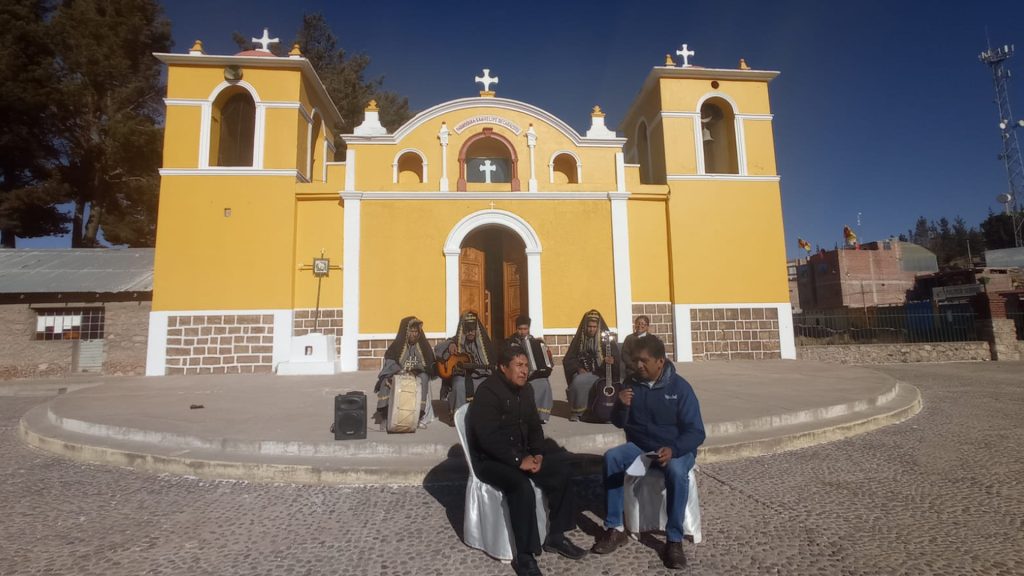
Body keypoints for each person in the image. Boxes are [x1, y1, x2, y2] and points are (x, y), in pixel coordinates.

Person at [468, 345, 588, 576]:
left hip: (522, 454)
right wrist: (517, 460)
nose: (524, 371)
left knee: (561, 472)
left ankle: (556, 536)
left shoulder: (526, 390)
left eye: (526, 365)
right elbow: (487, 438)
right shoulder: (487, 392)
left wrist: (538, 453)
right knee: (521, 487)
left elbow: (534, 427)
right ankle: (525, 555)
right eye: (519, 366)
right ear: (503, 367)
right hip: (490, 460)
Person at [590, 335, 705, 570]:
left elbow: (696, 432)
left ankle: (673, 540)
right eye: (635, 361)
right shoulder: (631, 384)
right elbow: (619, 423)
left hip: (676, 449)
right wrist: (620, 405)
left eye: (644, 361)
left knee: (676, 471)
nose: (638, 365)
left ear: (660, 361)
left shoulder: (680, 388)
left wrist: (674, 449)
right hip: (641, 446)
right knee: (612, 457)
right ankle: (615, 528)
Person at [373, 316, 436, 429]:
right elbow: (390, 362)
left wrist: (415, 370)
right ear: (406, 332)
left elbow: (429, 364)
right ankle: (386, 416)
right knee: (386, 380)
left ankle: (419, 416)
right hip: (399, 373)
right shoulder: (397, 346)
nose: (414, 334)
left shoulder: (423, 346)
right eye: (412, 331)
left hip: (416, 375)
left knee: (424, 377)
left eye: (416, 331)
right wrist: (399, 371)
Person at [562, 309, 620, 421]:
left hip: (601, 373)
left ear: (598, 327)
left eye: (594, 327)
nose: (591, 329)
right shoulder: (579, 340)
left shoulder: (606, 340)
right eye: (589, 326)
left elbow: (616, 358)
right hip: (583, 371)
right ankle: (578, 411)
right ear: (585, 326)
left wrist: (611, 361)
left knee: (580, 381)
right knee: (577, 380)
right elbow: (568, 359)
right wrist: (578, 368)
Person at [435, 311, 493, 416]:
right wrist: (450, 344)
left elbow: (491, 362)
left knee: (486, 385)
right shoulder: (456, 341)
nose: (470, 332)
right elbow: (438, 348)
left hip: (480, 374)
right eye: (467, 330)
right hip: (461, 375)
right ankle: (458, 415)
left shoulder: (485, 344)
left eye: (472, 330)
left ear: (477, 330)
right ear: (463, 330)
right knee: (459, 384)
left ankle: (483, 414)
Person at [506, 315, 553, 423]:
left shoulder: (536, 341)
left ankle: (541, 415)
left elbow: (548, 361)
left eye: (525, 329)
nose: (522, 332)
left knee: (543, 382)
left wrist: (546, 351)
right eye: (520, 329)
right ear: (516, 329)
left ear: (528, 329)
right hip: (516, 373)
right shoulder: (510, 342)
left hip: (533, 374)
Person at [619, 315, 650, 383]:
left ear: (647, 326)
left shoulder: (651, 339)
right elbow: (625, 354)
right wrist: (634, 366)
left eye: (642, 324)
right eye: (638, 323)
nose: (640, 325)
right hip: (632, 370)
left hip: (648, 369)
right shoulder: (629, 338)